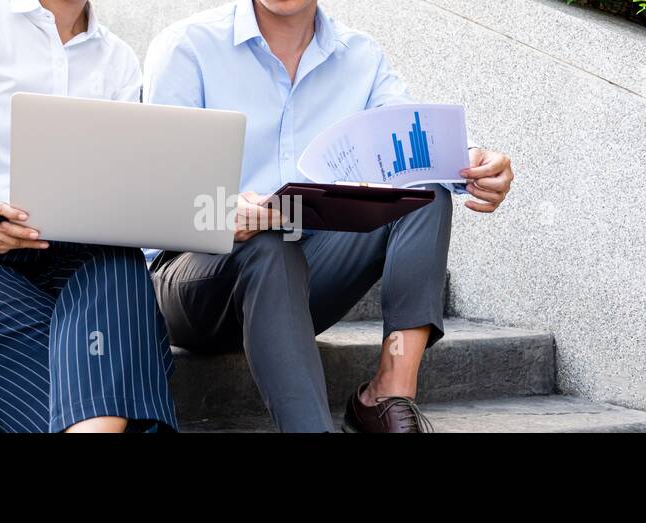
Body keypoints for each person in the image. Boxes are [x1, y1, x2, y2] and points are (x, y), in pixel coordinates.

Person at [143, 0, 516, 433]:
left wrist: (473, 164)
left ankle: (386, 394)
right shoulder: (187, 48)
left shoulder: (360, 57)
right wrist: (217, 213)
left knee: (423, 192)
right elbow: (152, 194)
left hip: (300, 277)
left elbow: (416, 150)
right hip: (193, 280)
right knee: (267, 246)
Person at [0, 0, 177, 433]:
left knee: (119, 262)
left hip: (78, 259)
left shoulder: (118, 59)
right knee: (124, 381)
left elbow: (123, 180)